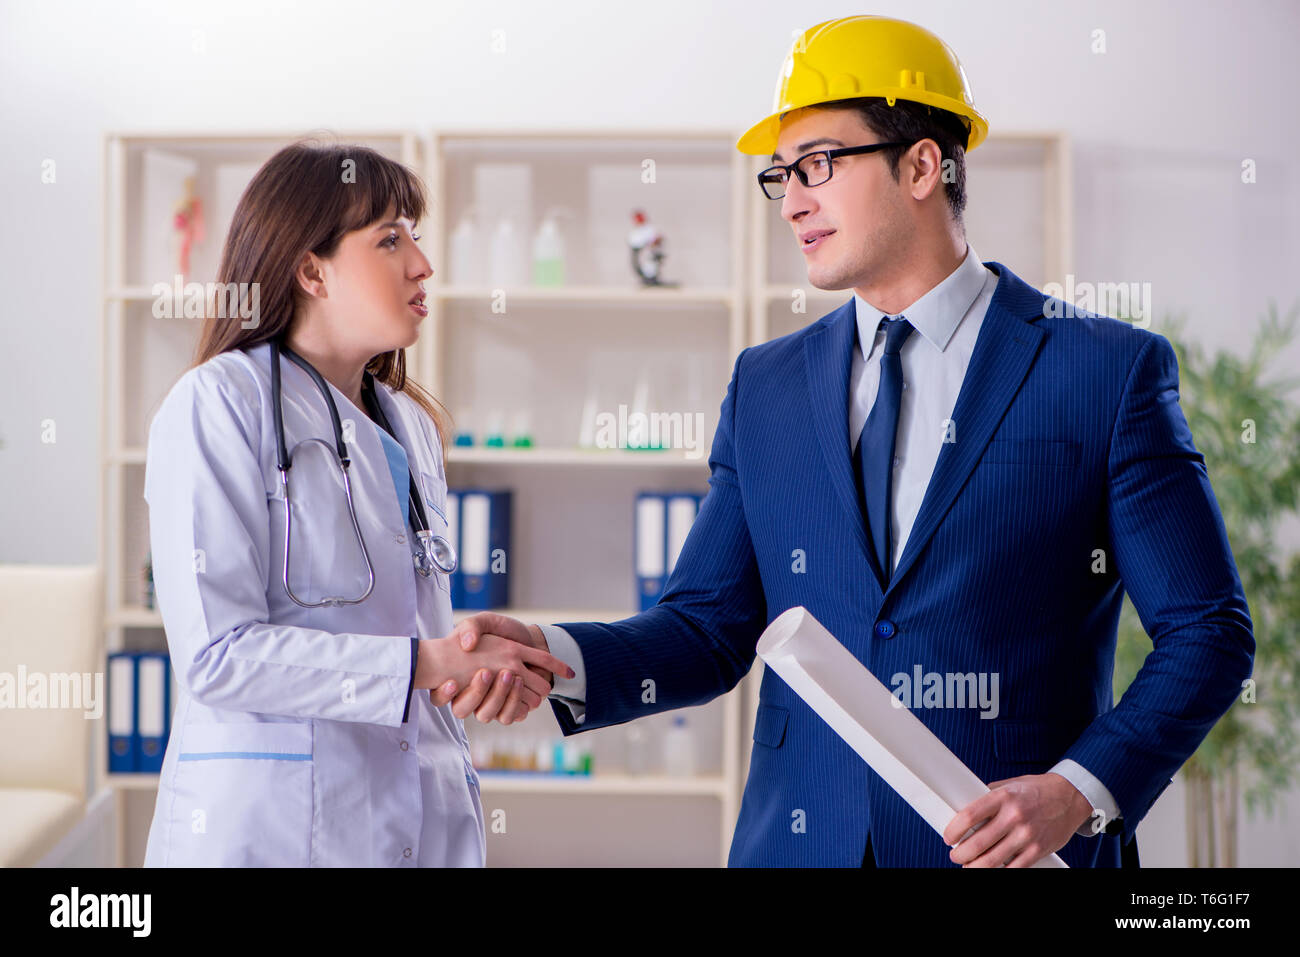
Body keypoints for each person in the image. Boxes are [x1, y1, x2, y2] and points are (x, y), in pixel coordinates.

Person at [448, 16, 1254, 867]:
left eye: (819, 165)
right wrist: (557, 657)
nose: (792, 199)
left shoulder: (1104, 370)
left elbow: (1207, 630)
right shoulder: (766, 386)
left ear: (920, 165)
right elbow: (707, 627)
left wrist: (1077, 790)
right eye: (781, 175)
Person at [142, 141, 572, 867]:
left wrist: (469, 666)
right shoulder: (216, 404)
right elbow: (216, 653)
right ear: (311, 269)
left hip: (414, 811)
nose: (422, 265)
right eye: (389, 239)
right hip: (272, 829)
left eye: (415, 237)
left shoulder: (409, 427)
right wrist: (426, 664)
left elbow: (402, 630)